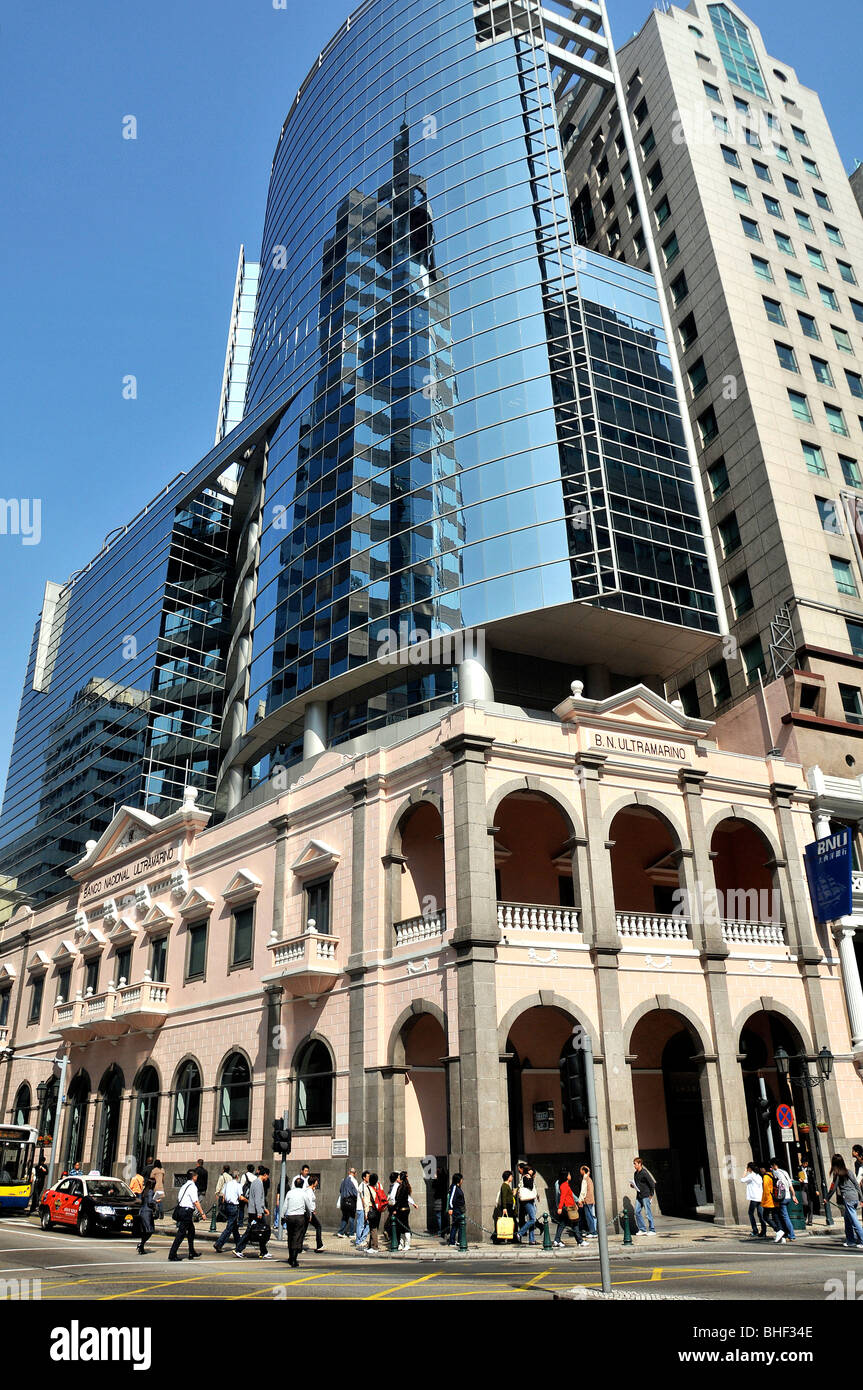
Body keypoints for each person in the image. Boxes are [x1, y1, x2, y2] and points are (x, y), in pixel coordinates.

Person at [827, 1154, 863, 1249]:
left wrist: (827, 1198)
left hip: (848, 1198)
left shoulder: (837, 1173)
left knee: (854, 1221)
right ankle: (850, 1240)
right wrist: (861, 1198)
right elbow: (856, 1184)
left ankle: (862, 1240)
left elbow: (833, 1188)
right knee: (847, 1219)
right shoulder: (849, 1172)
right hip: (855, 1197)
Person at [235, 1165, 272, 1259]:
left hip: (254, 1210)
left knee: (251, 1230)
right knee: (261, 1231)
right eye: (267, 1176)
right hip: (256, 1212)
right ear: (264, 1175)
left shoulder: (255, 1182)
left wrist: (264, 1208)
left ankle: (262, 1251)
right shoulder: (259, 1183)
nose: (267, 1178)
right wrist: (260, 1212)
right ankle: (239, 1249)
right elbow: (257, 1199)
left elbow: (258, 1199)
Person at [168, 1169, 205, 1262]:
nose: (197, 1177)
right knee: (181, 1234)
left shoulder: (184, 1186)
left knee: (191, 1231)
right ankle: (172, 1254)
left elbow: (179, 1198)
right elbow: (196, 1201)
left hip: (181, 1210)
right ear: (194, 1177)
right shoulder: (192, 1187)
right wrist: (202, 1213)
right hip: (186, 1212)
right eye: (196, 1176)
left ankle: (191, 1251)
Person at [282, 1177, 315, 1267]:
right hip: (299, 1217)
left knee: (291, 1237)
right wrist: (310, 1215)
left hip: (290, 1217)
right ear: (302, 1185)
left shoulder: (289, 1193)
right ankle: (294, 1259)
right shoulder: (303, 1194)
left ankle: (290, 1257)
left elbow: (285, 1205)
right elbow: (308, 1206)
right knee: (297, 1237)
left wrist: (282, 1216)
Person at [553, 1167, 585, 1248]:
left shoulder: (566, 1184)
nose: (570, 1175)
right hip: (567, 1207)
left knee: (563, 1223)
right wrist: (559, 1207)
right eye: (569, 1174)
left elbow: (570, 1196)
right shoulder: (563, 1185)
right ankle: (580, 1241)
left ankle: (557, 1240)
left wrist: (575, 1204)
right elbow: (562, 1197)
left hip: (570, 1206)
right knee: (574, 1223)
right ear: (566, 1176)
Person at [214, 1170, 244, 1253]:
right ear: (237, 1177)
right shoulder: (238, 1185)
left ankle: (239, 1244)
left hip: (227, 1206)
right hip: (234, 1206)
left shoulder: (227, 1184)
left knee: (234, 1227)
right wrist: (248, 1201)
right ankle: (219, 1243)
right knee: (229, 1227)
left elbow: (223, 1195)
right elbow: (240, 1197)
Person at [768, 1160, 796, 1244]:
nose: (772, 1168)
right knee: (783, 1216)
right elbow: (790, 1185)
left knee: (785, 1217)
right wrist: (794, 1195)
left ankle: (791, 1235)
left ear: (774, 1165)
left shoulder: (775, 1173)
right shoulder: (784, 1172)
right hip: (788, 1196)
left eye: (772, 1166)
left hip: (782, 1197)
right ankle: (787, 1234)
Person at [631, 1157, 657, 1235]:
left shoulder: (644, 1173)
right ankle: (642, 1229)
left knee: (648, 1213)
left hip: (646, 1195)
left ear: (640, 1164)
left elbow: (652, 1183)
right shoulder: (635, 1173)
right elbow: (638, 1184)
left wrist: (651, 1195)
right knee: (637, 1212)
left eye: (635, 1164)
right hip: (639, 1196)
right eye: (634, 1164)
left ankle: (652, 1230)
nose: (634, 1166)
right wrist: (633, 1185)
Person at [740, 1162, 766, 1238]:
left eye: (747, 1168)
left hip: (754, 1198)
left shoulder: (751, 1176)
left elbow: (742, 1180)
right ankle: (763, 1231)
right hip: (760, 1197)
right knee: (761, 1215)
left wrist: (744, 1172)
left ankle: (755, 1230)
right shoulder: (758, 1176)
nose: (747, 1169)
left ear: (750, 1168)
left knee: (750, 1213)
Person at [394, 1171, 416, 1251]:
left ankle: (407, 1244)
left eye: (399, 1177)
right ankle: (401, 1243)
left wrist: (395, 1208)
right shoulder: (401, 1186)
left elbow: (399, 1199)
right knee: (401, 1227)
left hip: (403, 1209)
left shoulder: (404, 1187)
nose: (398, 1178)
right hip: (401, 1209)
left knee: (405, 1227)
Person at [517, 1167, 539, 1246]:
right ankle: (520, 1233)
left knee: (531, 1220)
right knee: (533, 1219)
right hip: (527, 1201)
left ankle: (532, 1239)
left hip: (531, 1200)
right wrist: (531, 1178)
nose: (531, 1171)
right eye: (530, 1169)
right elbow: (530, 1186)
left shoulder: (528, 1177)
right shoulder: (526, 1177)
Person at [495, 1170, 517, 1243]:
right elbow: (503, 1197)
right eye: (511, 1176)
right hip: (507, 1206)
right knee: (509, 1222)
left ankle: (511, 1238)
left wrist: (513, 1193)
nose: (512, 1177)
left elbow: (509, 1196)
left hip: (509, 1206)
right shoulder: (504, 1185)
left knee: (510, 1222)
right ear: (508, 1177)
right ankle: (499, 1238)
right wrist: (504, 1208)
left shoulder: (507, 1185)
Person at [137, 1177, 157, 1255]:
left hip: (143, 1211)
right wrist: (156, 1201)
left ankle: (141, 1246)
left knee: (145, 1231)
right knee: (149, 1230)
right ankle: (141, 1244)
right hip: (147, 1212)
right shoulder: (150, 1191)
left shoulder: (144, 1191)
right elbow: (150, 1202)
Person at [337, 1167, 358, 1239]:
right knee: (352, 1217)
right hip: (351, 1201)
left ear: (349, 1172)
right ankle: (351, 1233)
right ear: (354, 1173)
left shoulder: (343, 1180)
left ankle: (340, 1232)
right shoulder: (354, 1181)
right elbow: (356, 1192)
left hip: (343, 1201)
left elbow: (340, 1190)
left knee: (344, 1217)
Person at [305, 1176, 324, 1253]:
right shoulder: (309, 1191)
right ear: (313, 1182)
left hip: (310, 1212)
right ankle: (319, 1245)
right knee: (318, 1226)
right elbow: (309, 1203)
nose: (317, 1182)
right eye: (316, 1181)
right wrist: (310, 1214)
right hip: (309, 1212)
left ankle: (298, 1246)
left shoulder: (311, 1190)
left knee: (303, 1229)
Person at [367, 1173, 385, 1251]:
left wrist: (365, 1213)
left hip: (372, 1209)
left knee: (373, 1228)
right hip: (379, 1209)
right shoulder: (379, 1185)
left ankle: (374, 1247)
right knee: (374, 1227)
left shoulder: (368, 1188)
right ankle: (370, 1246)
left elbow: (367, 1202)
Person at [578, 1165, 597, 1238]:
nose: (580, 1171)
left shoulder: (585, 1179)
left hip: (587, 1200)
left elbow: (583, 1191)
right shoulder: (589, 1178)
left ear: (583, 1171)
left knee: (589, 1216)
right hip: (591, 1200)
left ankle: (593, 1232)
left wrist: (580, 1200)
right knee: (591, 1215)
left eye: (581, 1170)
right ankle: (593, 1231)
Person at [356, 1171, 374, 1249]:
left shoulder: (367, 1185)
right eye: (368, 1176)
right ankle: (358, 1241)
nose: (369, 1178)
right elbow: (363, 1198)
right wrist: (365, 1209)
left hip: (366, 1208)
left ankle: (362, 1239)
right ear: (364, 1177)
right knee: (361, 1225)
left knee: (367, 1224)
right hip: (361, 1208)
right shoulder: (362, 1186)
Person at [448, 1173, 465, 1246]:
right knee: (456, 1225)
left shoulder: (458, 1187)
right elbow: (451, 1198)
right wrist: (450, 1208)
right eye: (461, 1179)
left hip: (460, 1209)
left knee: (459, 1225)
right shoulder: (454, 1187)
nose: (462, 1180)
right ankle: (452, 1241)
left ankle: (459, 1240)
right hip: (456, 1209)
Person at [432, 1166, 449, 1238]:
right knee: (442, 1216)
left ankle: (440, 1232)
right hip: (443, 1199)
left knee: (439, 1216)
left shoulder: (439, 1180)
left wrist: (435, 1178)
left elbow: (434, 1186)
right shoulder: (445, 1179)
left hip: (439, 1199)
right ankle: (444, 1231)